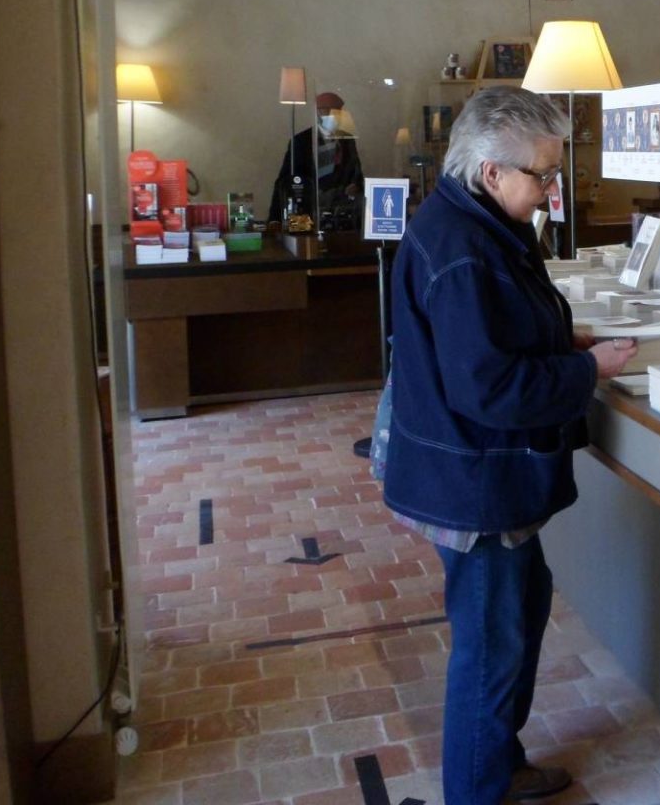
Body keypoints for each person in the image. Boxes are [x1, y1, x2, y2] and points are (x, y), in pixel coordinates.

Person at [382, 86, 639, 805]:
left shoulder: (478, 223)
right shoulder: (464, 248)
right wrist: (587, 369)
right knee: (492, 648)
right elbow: (487, 388)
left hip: (476, 475)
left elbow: (495, 337)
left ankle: (500, 763)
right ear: (492, 171)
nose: (552, 192)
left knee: (522, 609)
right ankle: (478, 789)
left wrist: (566, 339)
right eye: (543, 176)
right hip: (474, 485)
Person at [268, 90, 365, 223]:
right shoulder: (303, 140)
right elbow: (286, 180)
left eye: (338, 111)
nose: (334, 115)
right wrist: (275, 219)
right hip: (309, 214)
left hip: (341, 215)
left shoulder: (347, 140)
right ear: (318, 112)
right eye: (328, 111)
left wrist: (356, 186)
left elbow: (356, 172)